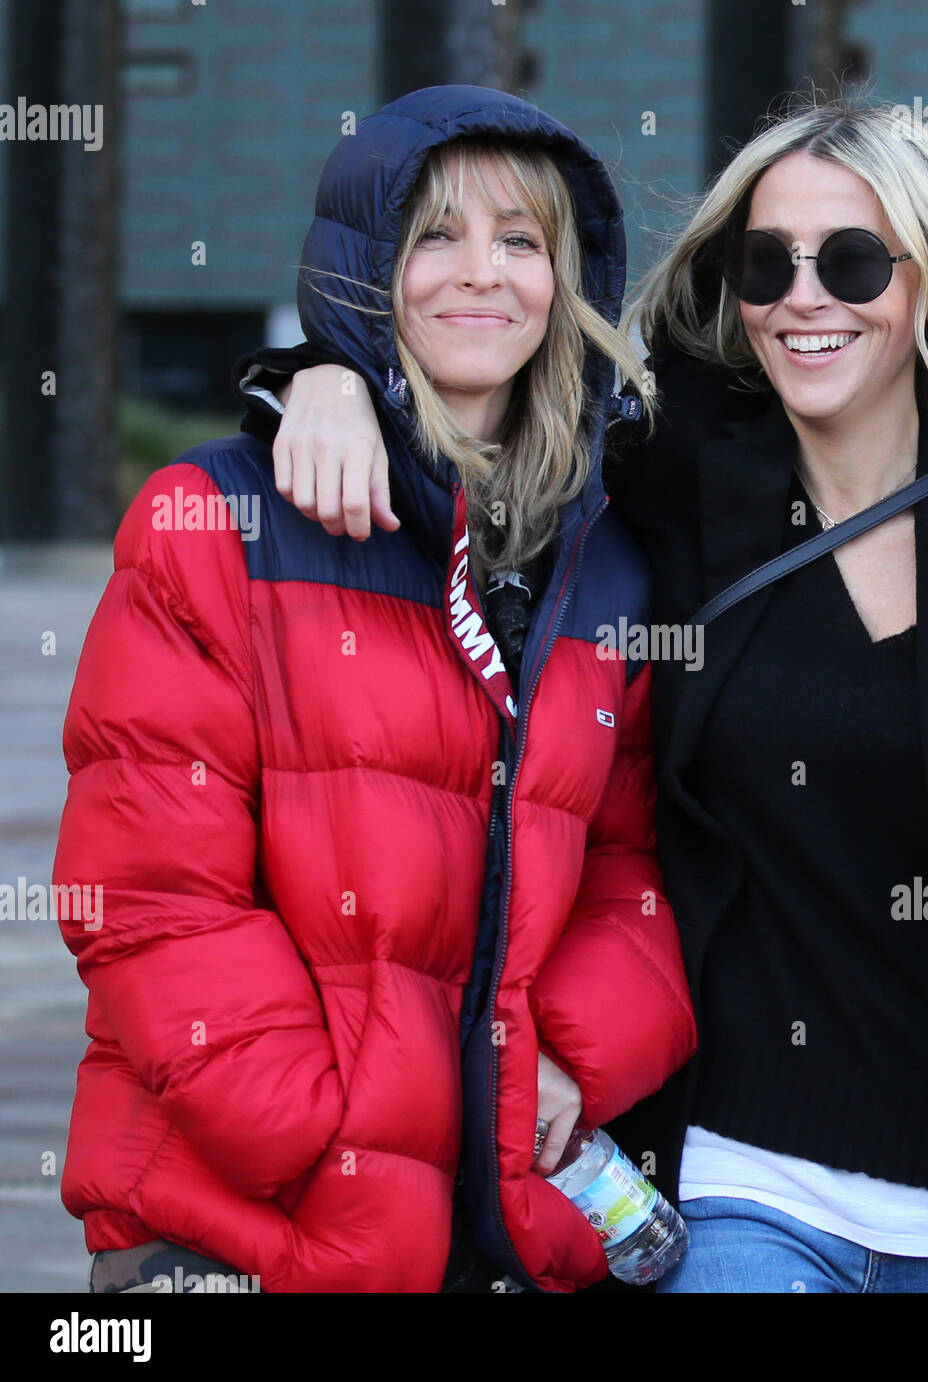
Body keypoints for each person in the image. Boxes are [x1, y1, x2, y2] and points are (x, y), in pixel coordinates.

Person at [241, 96, 928, 1294]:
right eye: (767, 263)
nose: (804, 296)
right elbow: (479, 411)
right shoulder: (670, 484)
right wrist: (322, 375)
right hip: (743, 1179)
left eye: (853, 259)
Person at [52, 84, 696, 1294]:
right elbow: (148, 890)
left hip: (497, 1213)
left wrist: (562, 1056)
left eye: (522, 241)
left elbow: (633, 861)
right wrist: (326, 1123)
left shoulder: (608, 552)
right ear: (365, 267)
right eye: (434, 235)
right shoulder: (216, 518)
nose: (481, 274)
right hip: (244, 1220)